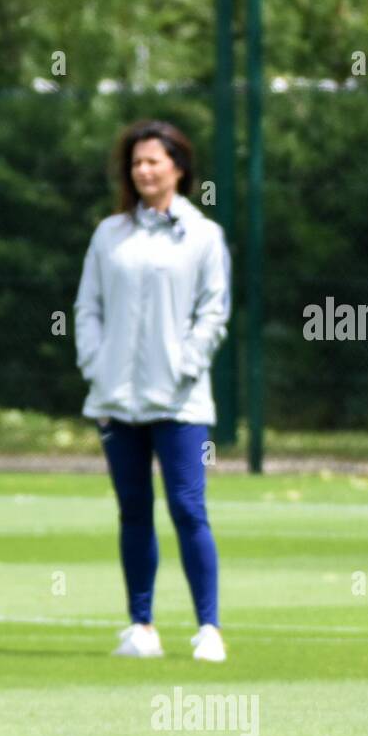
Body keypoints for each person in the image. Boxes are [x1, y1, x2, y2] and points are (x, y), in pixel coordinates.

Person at [74, 119, 230, 662]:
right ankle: (141, 625)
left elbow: (213, 312)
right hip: (116, 399)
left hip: (181, 402)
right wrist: (96, 364)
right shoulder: (109, 235)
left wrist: (184, 366)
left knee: (189, 509)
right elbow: (87, 309)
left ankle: (208, 627)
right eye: (136, 163)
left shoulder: (204, 235)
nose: (143, 171)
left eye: (154, 162)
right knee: (133, 511)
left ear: (178, 169)